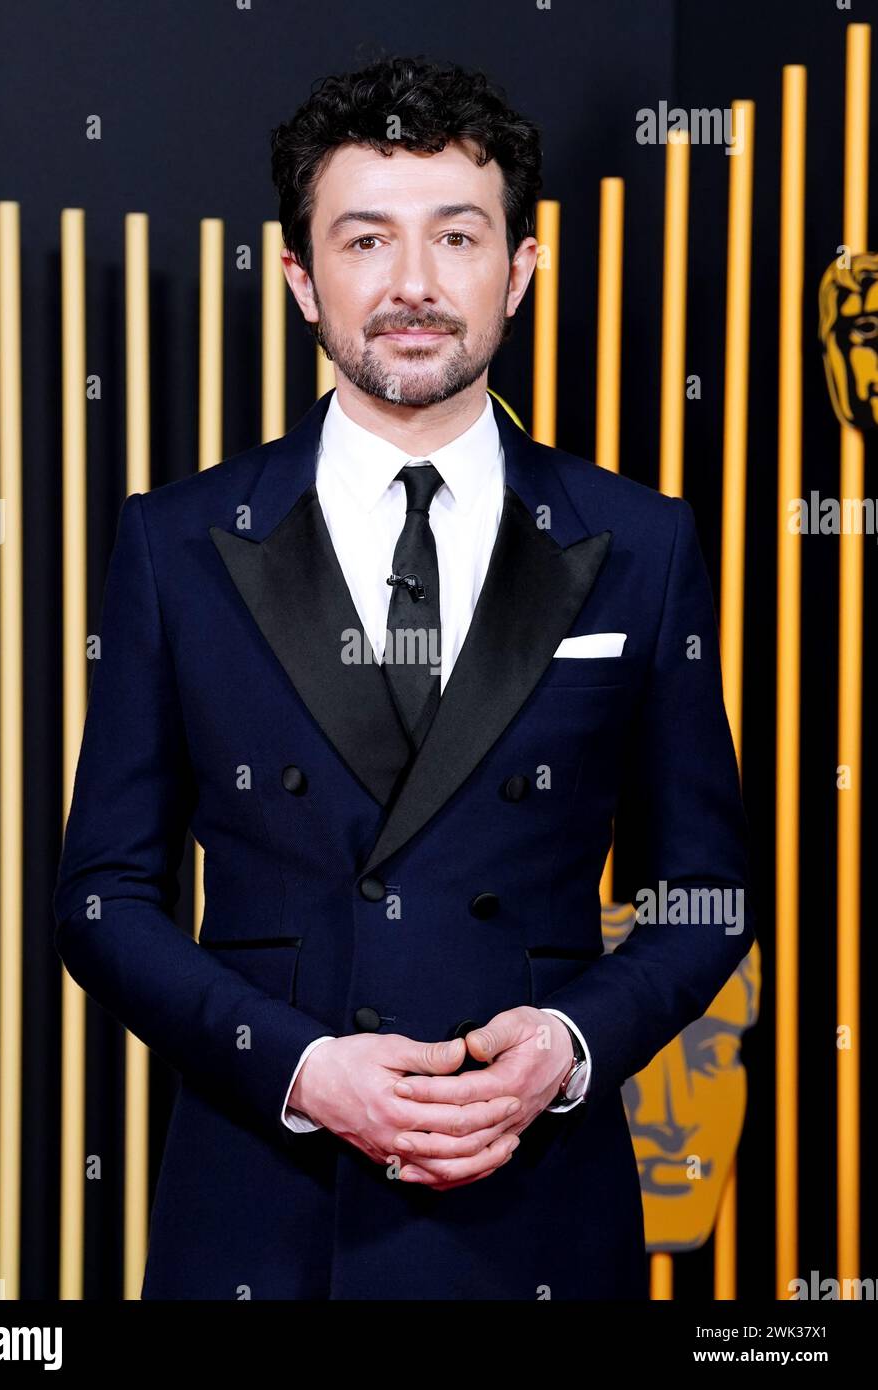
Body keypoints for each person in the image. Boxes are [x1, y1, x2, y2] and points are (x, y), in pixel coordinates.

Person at [53, 54, 755, 1300]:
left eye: (458, 237)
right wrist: (297, 1065)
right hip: (261, 1218)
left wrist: (570, 1042)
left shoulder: (641, 543)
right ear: (298, 282)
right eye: (366, 239)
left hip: (536, 1212)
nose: (414, 286)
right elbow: (103, 896)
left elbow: (706, 892)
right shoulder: (176, 542)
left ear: (521, 272)